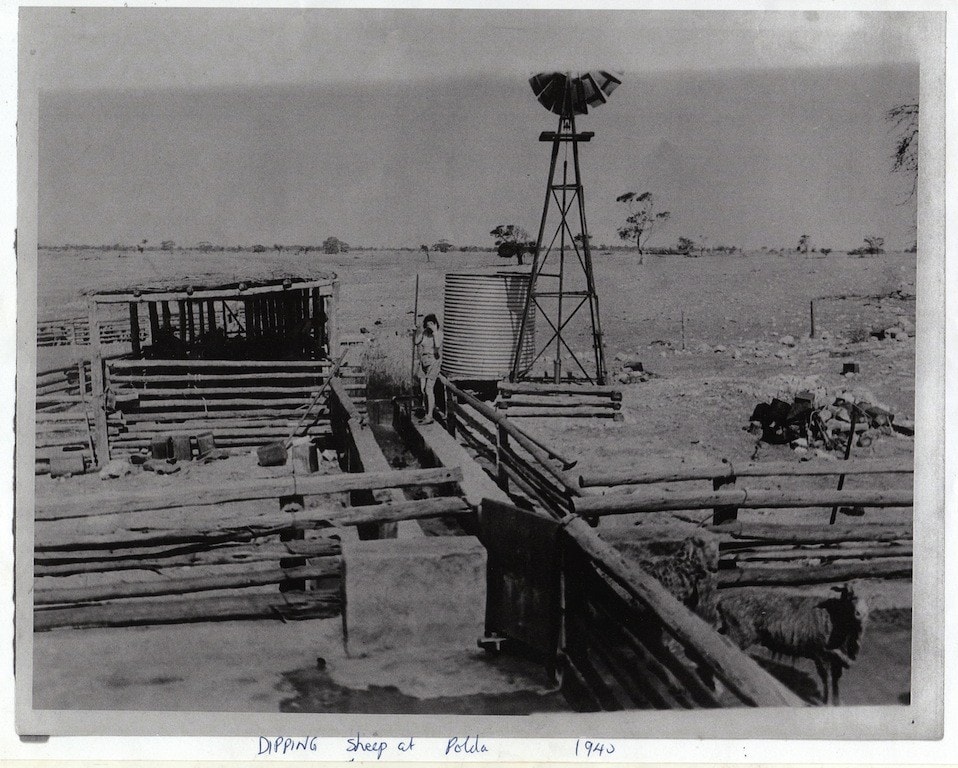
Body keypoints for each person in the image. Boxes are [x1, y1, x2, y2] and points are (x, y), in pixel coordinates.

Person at [414, 313, 443, 424]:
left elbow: (437, 345)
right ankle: (429, 410)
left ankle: (429, 416)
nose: (428, 328)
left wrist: (435, 331)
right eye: (427, 325)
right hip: (424, 361)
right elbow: (416, 342)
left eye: (430, 325)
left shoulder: (439, 334)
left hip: (433, 361)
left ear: (434, 324)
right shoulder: (425, 333)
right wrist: (417, 331)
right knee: (423, 389)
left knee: (428, 389)